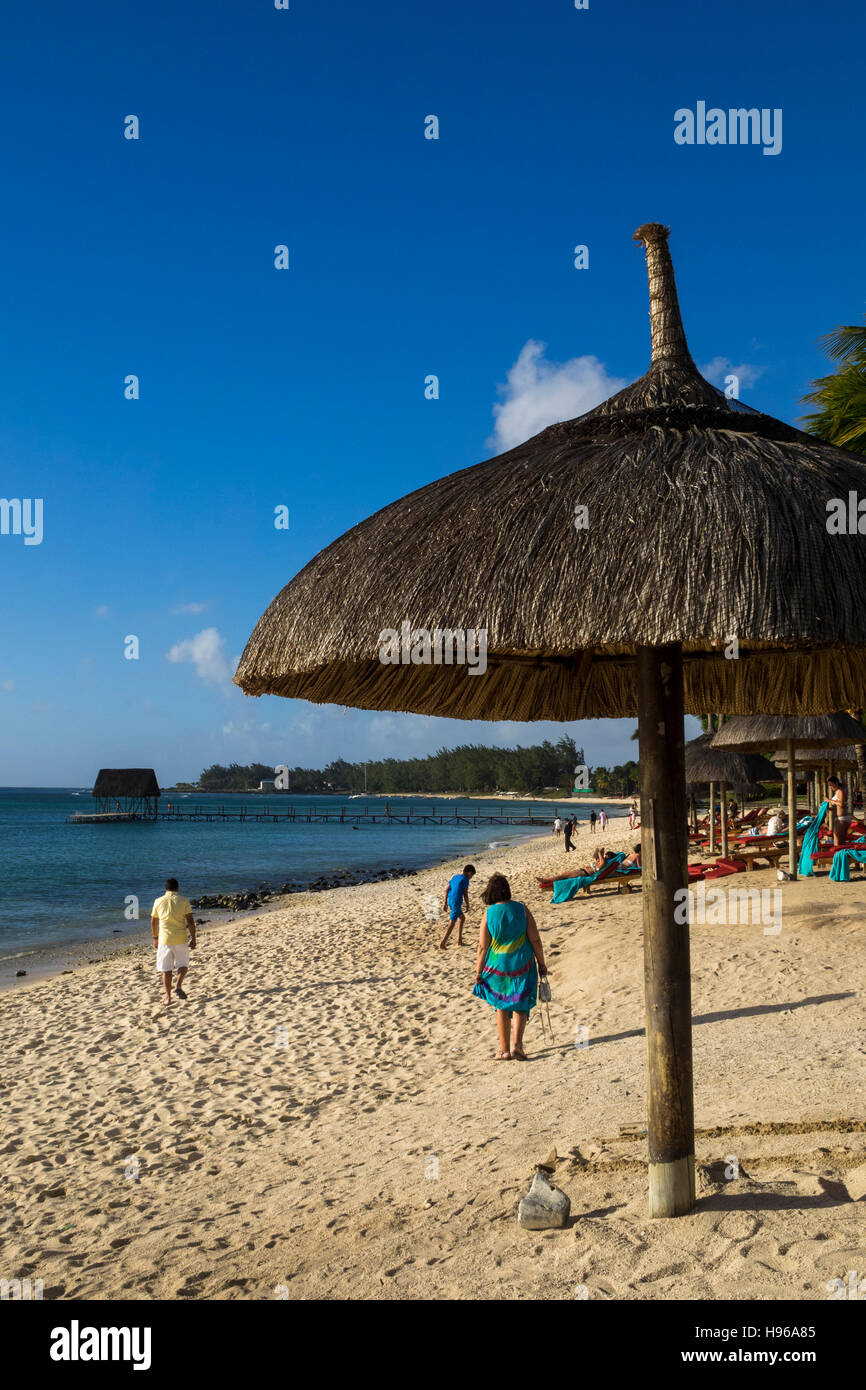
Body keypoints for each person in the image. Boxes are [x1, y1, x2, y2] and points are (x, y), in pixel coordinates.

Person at [473, 873, 547, 1061]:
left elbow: (483, 946)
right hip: (523, 964)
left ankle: (504, 1050)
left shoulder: (489, 913)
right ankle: (518, 1046)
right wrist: (542, 963)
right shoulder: (522, 909)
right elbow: (535, 939)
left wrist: (478, 970)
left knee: (501, 1006)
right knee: (520, 1004)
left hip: (498, 966)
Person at [151, 877, 197, 1006]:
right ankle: (178, 985)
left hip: (164, 940)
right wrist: (193, 938)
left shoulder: (158, 901)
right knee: (183, 965)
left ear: (165, 889)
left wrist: (155, 938)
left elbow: (153, 921)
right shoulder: (183, 901)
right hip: (180, 938)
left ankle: (168, 997)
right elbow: (190, 922)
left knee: (166, 969)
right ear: (177, 888)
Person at [440, 864, 475, 948]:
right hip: (456, 902)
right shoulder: (466, 879)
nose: (472, 877)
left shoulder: (455, 877)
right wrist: (467, 905)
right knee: (452, 922)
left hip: (450, 900)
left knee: (462, 918)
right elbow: (465, 894)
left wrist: (445, 903)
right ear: (469, 873)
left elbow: (447, 890)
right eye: (472, 875)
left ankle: (459, 940)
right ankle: (443, 943)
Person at [827, 777, 852, 845]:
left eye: (831, 785)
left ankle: (838, 855)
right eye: (829, 785)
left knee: (837, 843)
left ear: (836, 783)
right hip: (843, 818)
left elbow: (841, 804)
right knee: (841, 843)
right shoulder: (840, 791)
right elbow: (838, 807)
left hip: (842, 819)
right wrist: (828, 808)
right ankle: (841, 855)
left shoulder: (840, 791)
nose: (830, 787)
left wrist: (830, 800)